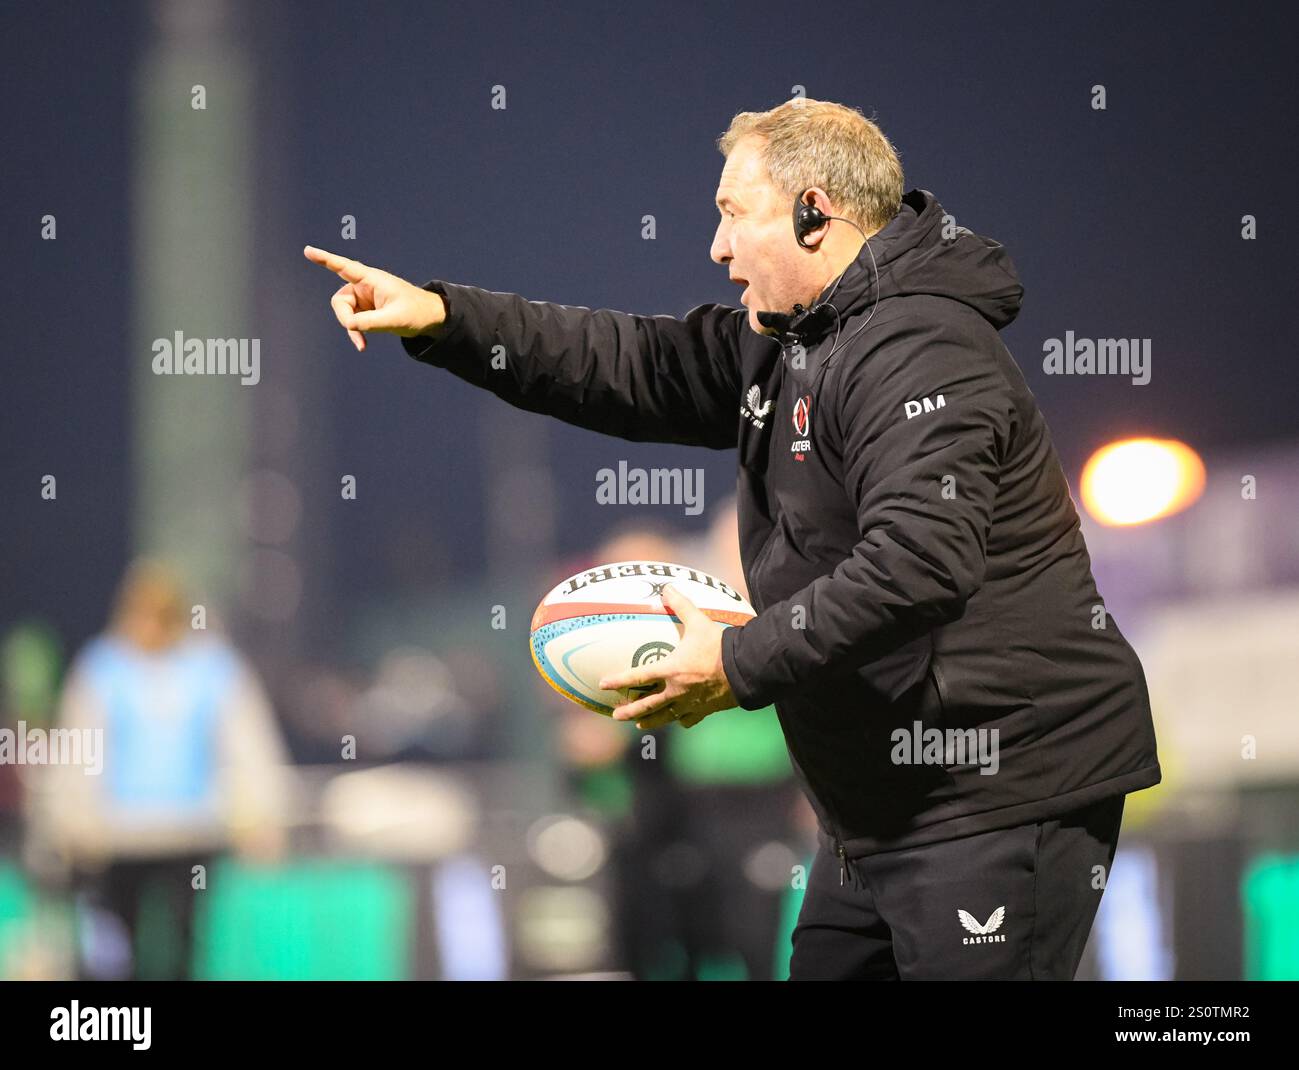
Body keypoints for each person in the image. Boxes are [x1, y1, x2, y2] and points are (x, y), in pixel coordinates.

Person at [304, 98, 1161, 980]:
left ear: (813, 212)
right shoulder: (789, 341)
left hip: (994, 788)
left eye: (731, 214)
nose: (716, 249)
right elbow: (623, 360)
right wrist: (445, 319)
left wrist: (735, 659)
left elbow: (919, 564)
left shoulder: (921, 344)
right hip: (875, 808)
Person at [35, 559, 290, 980]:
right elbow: (77, 751)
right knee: (118, 949)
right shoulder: (103, 669)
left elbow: (248, 747)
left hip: (191, 835)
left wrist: (260, 815)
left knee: (184, 945)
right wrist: (71, 821)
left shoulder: (212, 669)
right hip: (120, 839)